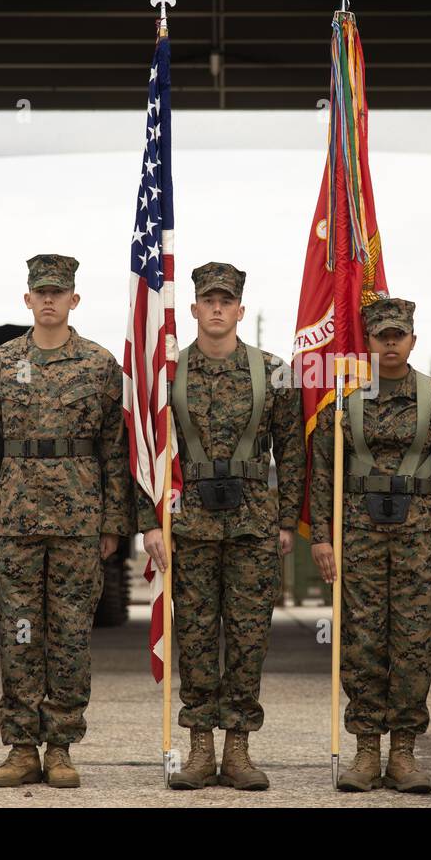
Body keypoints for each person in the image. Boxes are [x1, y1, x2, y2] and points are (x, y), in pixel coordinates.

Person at [0, 253, 133, 789]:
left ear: (74, 300)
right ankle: (21, 748)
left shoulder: (101, 366)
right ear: (28, 300)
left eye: (60, 292)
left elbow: (115, 450)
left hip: (79, 521)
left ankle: (61, 747)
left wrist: (113, 522)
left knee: (71, 634)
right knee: (18, 634)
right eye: (42, 292)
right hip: (15, 520)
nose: (50, 299)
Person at [140, 262, 305, 791]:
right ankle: (199, 748)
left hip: (253, 526)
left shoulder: (274, 371)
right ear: (192, 308)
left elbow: (294, 451)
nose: (216, 308)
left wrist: (287, 522)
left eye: (225, 301)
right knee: (193, 634)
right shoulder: (167, 374)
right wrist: (150, 524)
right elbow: (144, 451)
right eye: (207, 300)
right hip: (188, 527)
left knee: (249, 637)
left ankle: (238, 748)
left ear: (239, 309)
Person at [310, 298, 431, 793]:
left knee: (415, 643)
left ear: (413, 340)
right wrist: (323, 537)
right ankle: (366, 751)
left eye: (399, 335)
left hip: (420, 536)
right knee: (362, 642)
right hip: (360, 537)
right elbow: (323, 478)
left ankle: (404, 754)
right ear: (368, 343)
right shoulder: (341, 405)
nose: (391, 343)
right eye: (382, 336)